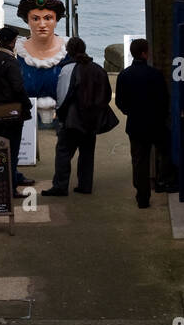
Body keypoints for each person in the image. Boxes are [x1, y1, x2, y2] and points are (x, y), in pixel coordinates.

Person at [42, 37, 115, 197]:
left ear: (69, 51)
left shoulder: (68, 69)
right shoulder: (97, 69)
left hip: (72, 119)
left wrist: (60, 116)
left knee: (63, 152)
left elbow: (62, 96)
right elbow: (107, 95)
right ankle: (85, 185)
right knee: (87, 152)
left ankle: (61, 186)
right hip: (92, 118)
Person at [115, 38, 170, 208]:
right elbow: (164, 100)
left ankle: (142, 196)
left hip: (136, 123)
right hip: (155, 122)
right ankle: (162, 182)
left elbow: (120, 102)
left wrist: (129, 111)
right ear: (145, 53)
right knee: (165, 152)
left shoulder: (124, 75)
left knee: (139, 161)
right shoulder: (155, 74)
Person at [0, 25, 32, 196]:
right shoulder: (11, 61)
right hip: (10, 114)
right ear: (12, 42)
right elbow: (18, 86)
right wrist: (27, 104)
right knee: (11, 150)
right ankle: (10, 188)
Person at [14, 0, 68, 117]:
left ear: (56, 20)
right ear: (27, 20)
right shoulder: (16, 54)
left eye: (48, 18)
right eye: (35, 18)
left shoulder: (68, 52)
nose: (42, 25)